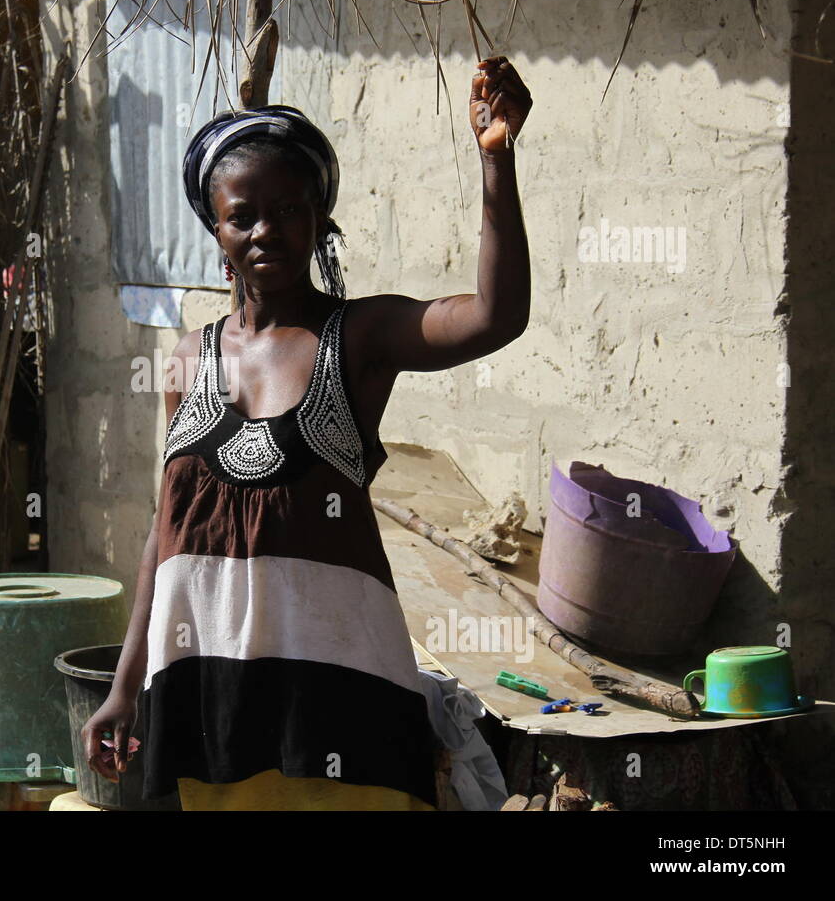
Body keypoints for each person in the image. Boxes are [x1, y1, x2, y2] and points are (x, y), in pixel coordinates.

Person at [83, 56, 533, 810]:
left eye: (290, 209)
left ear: (320, 215)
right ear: (214, 228)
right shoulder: (187, 361)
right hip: (212, 703)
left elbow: (496, 315)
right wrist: (125, 688)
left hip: (340, 701)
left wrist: (496, 160)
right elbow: (167, 536)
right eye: (242, 215)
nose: (267, 231)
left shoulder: (357, 337)